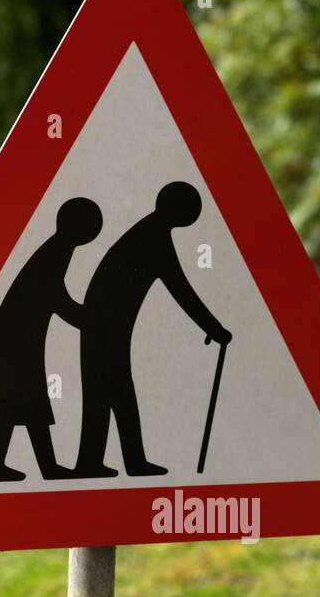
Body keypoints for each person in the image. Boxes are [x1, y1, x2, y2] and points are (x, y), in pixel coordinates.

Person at [73, 181, 232, 477]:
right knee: (111, 393)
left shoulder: (148, 231)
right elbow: (181, 290)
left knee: (110, 393)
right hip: (105, 327)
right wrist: (215, 328)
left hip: (104, 325)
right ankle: (111, 462)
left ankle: (106, 461)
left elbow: (179, 289)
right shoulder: (153, 238)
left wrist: (214, 327)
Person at [0, 197, 103, 481]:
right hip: (16, 342)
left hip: (19, 340)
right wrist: (89, 320)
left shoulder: (58, 248)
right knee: (19, 401)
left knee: (21, 403)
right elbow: (55, 295)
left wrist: (83, 318)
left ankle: (29, 467)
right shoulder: (56, 251)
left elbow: (54, 296)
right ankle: (26, 468)